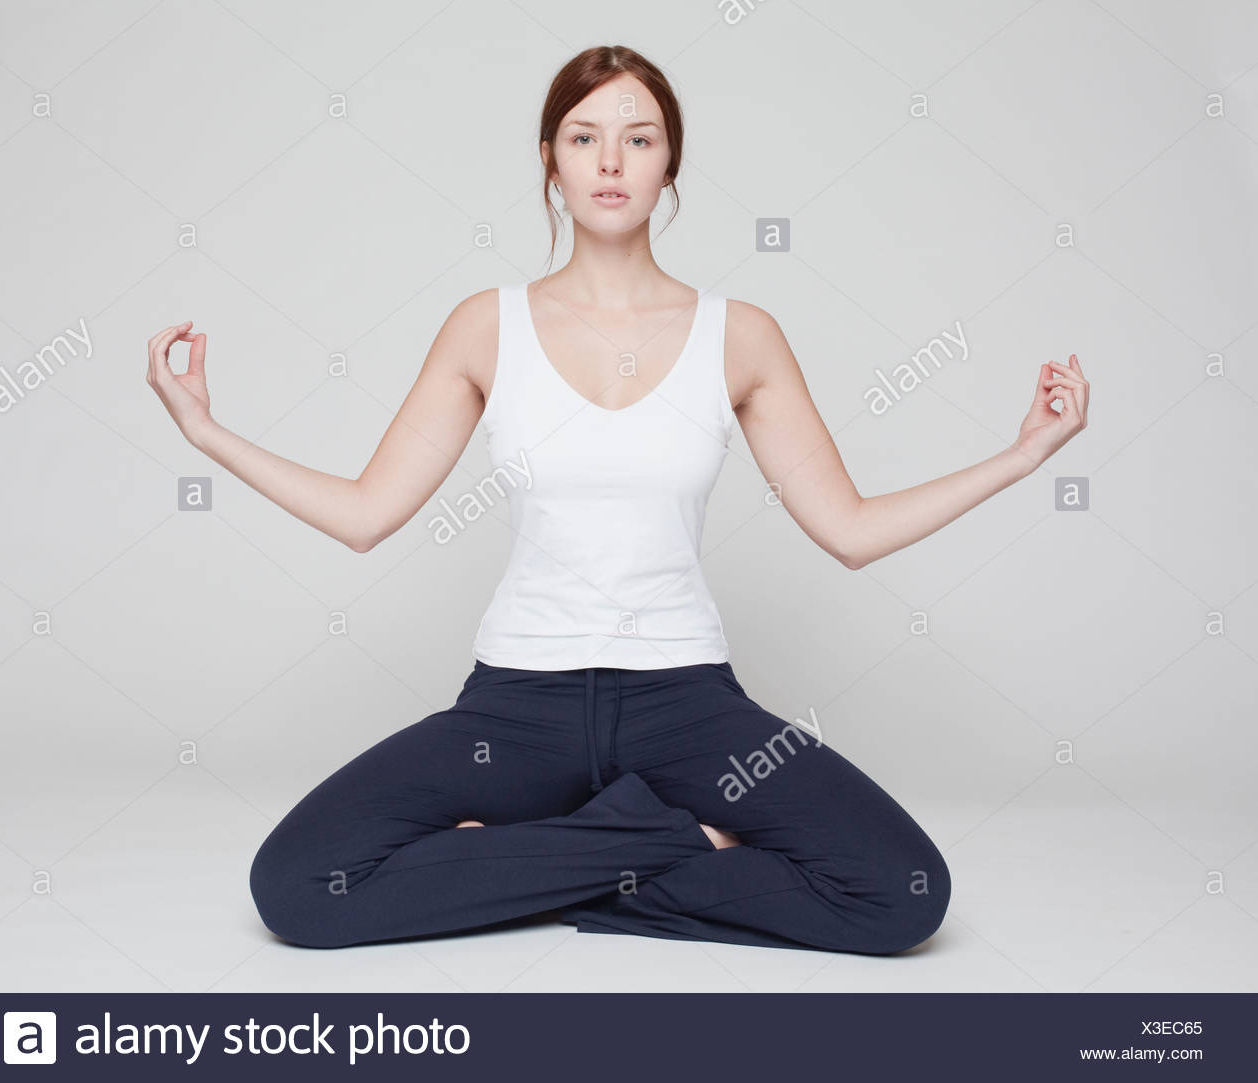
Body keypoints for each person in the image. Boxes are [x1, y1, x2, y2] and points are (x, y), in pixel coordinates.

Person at [145, 45, 1088, 955]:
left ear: (670, 163)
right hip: (516, 710)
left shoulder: (740, 335)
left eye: (639, 138)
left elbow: (849, 530)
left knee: (898, 894)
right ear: (549, 163)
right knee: (298, 886)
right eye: (583, 136)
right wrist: (206, 434)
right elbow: (364, 514)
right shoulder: (487, 325)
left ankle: (537, 858)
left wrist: (1020, 454)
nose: (610, 160)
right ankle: (659, 845)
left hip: (689, 705)